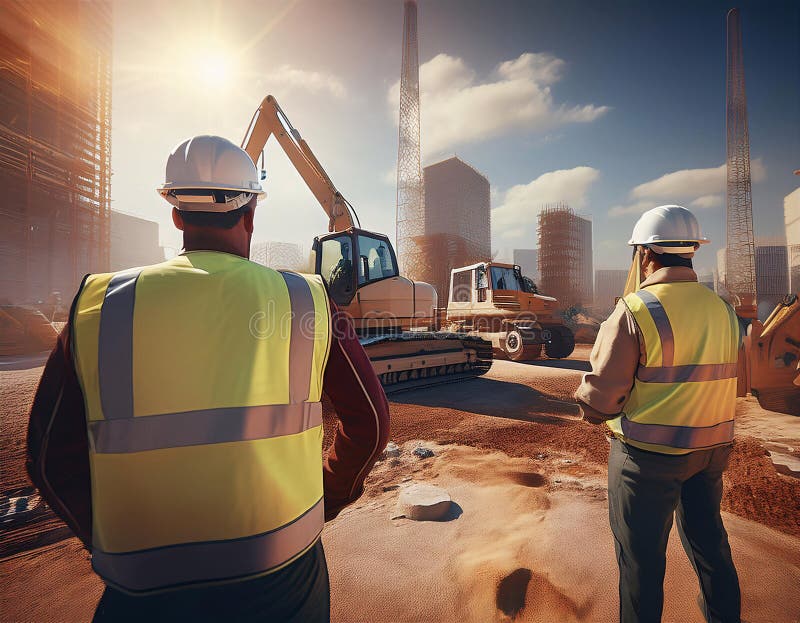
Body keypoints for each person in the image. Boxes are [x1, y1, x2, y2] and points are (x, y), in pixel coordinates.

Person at [26, 135, 390, 622]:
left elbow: (48, 459)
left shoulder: (102, 305)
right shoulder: (307, 301)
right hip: (282, 579)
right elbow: (370, 422)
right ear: (251, 214)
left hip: (143, 593)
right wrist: (328, 497)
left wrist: (109, 537)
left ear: (175, 213)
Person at [575, 205, 742, 623]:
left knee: (641, 564)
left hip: (646, 459)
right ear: (691, 252)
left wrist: (593, 410)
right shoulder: (723, 309)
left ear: (646, 254)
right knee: (711, 547)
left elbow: (600, 400)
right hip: (711, 451)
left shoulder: (636, 310)